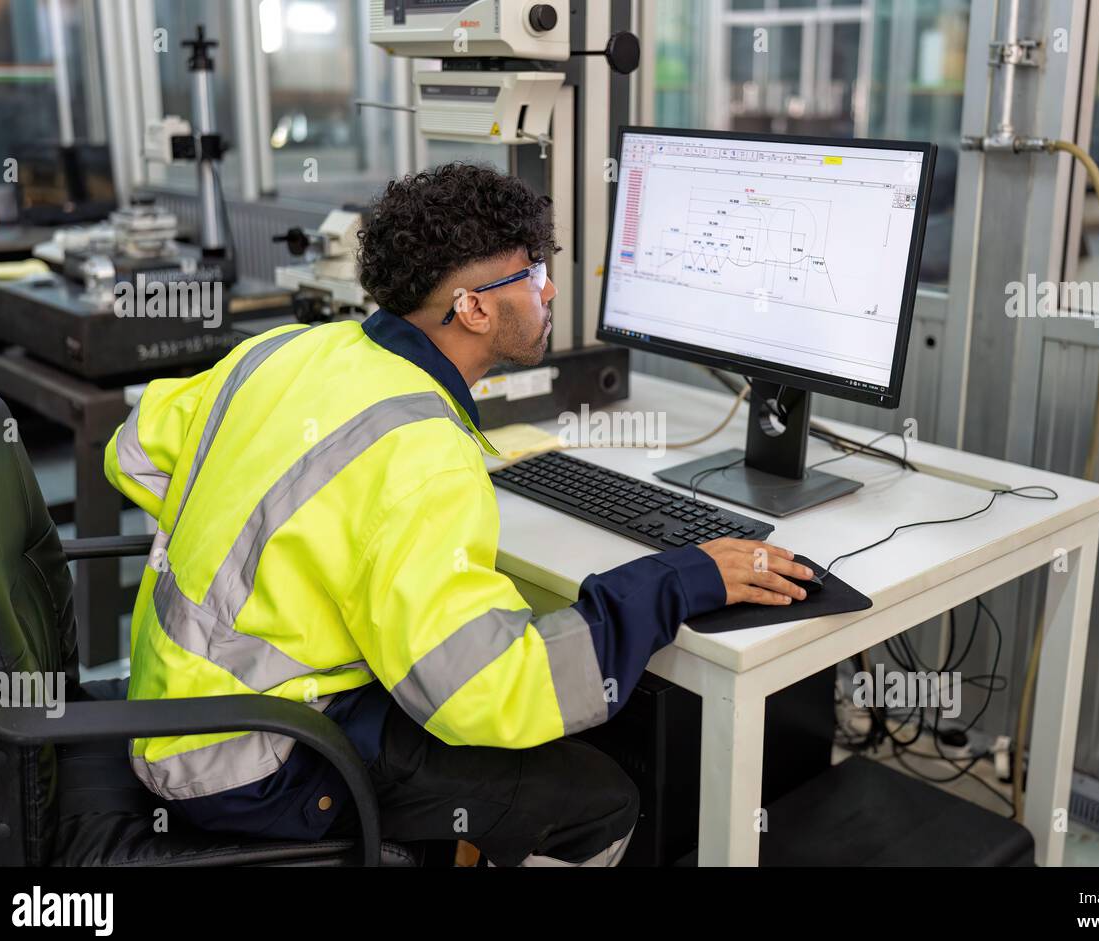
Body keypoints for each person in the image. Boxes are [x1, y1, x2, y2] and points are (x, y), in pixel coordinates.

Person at [104, 163, 813, 866]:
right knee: (597, 800)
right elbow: (490, 692)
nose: (549, 290)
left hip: (172, 706)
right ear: (473, 307)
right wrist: (674, 581)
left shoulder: (288, 349)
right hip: (251, 760)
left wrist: (295, 560)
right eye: (533, 274)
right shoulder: (423, 449)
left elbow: (133, 453)